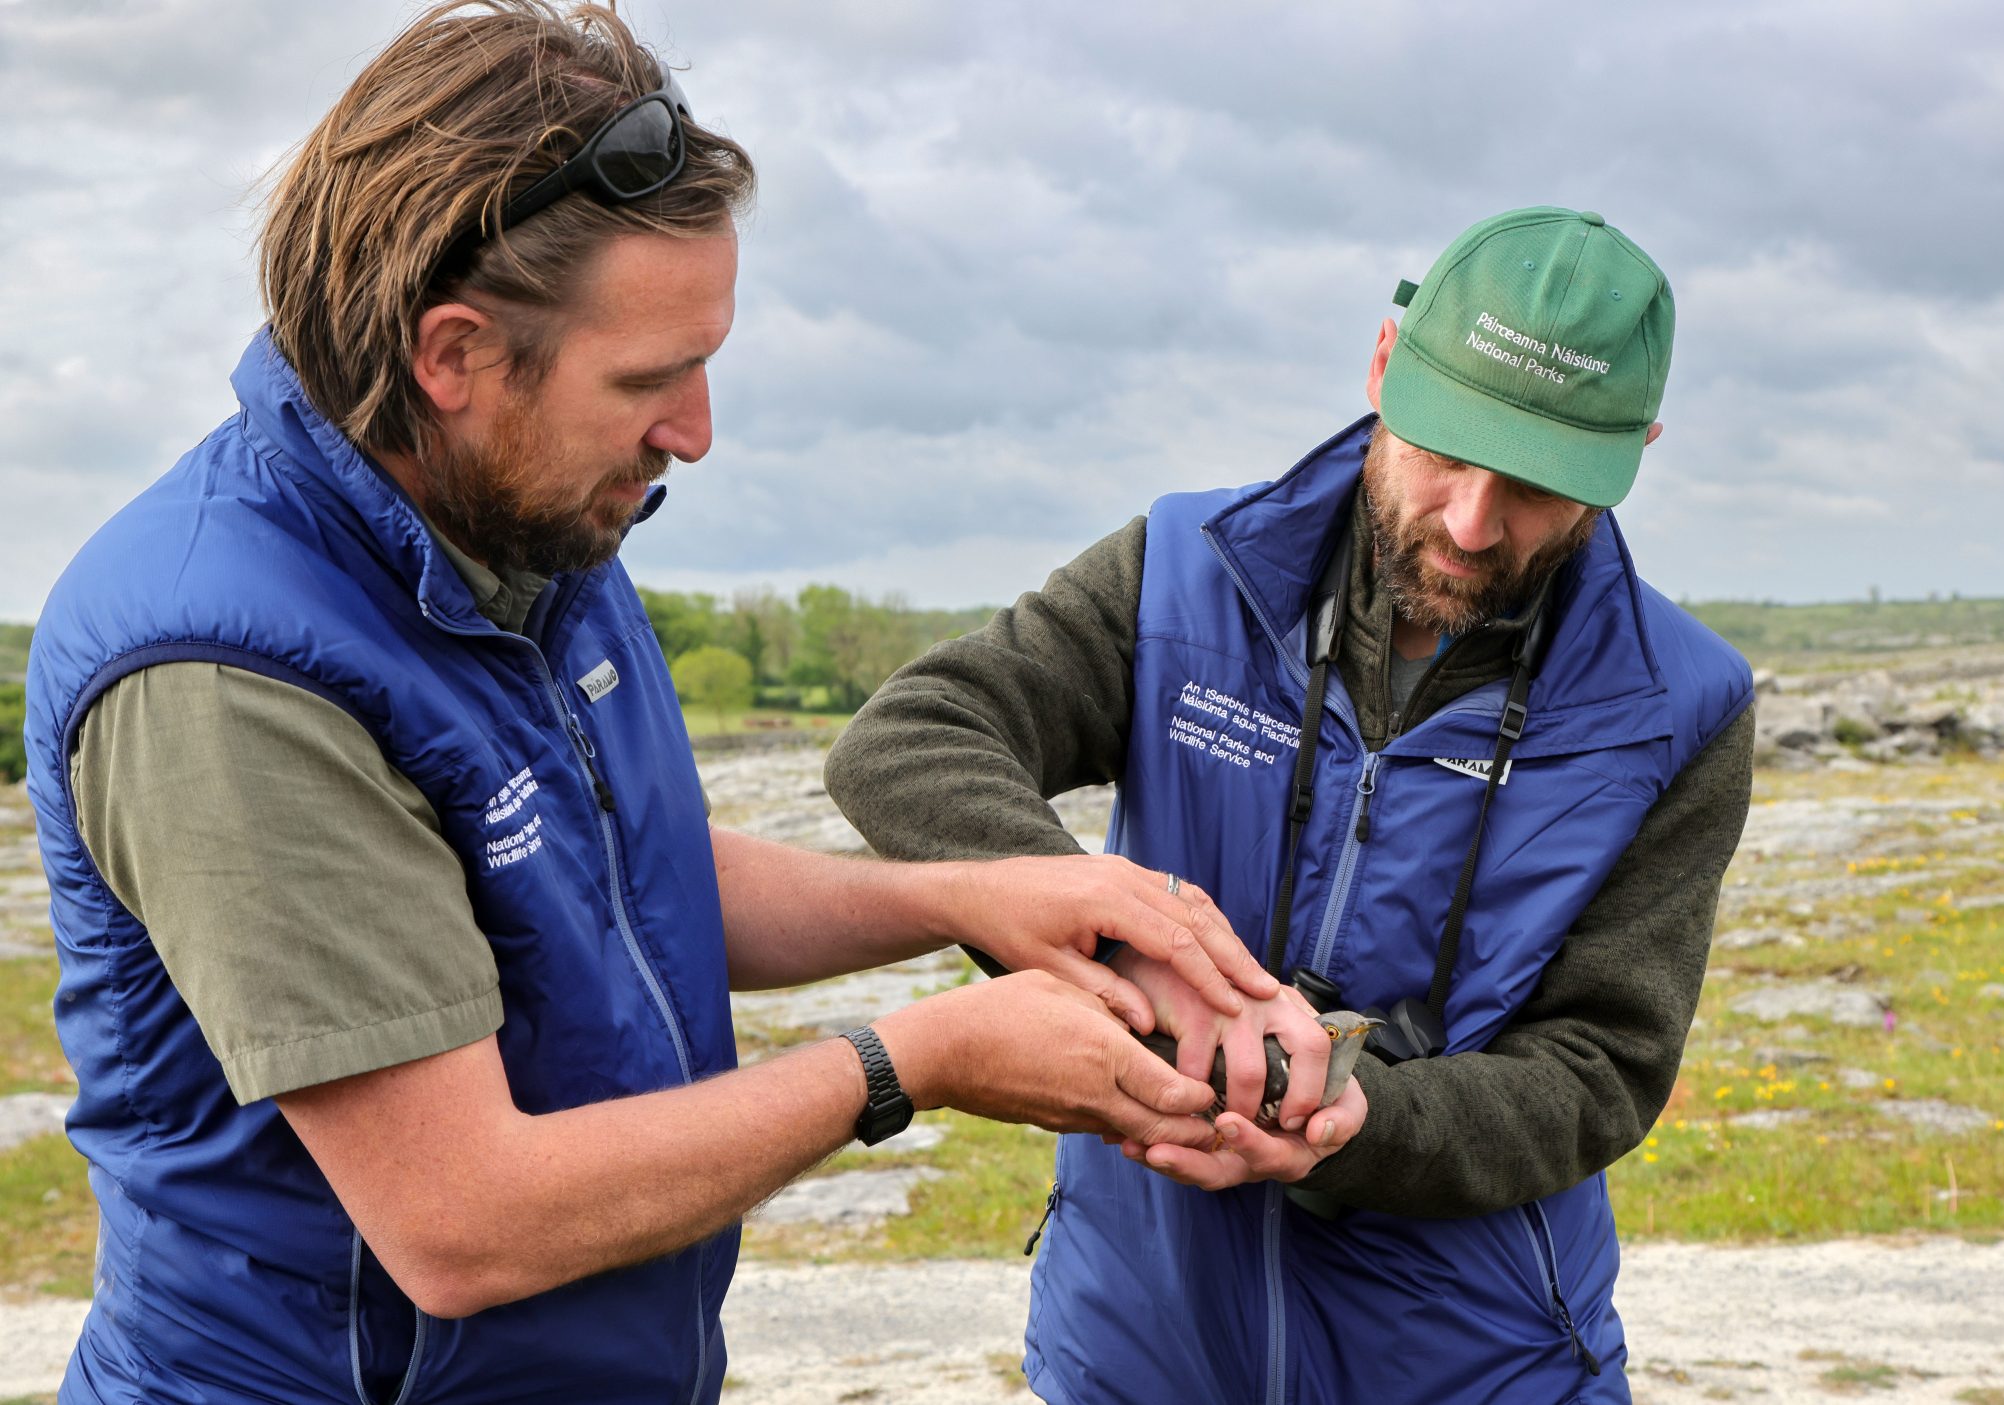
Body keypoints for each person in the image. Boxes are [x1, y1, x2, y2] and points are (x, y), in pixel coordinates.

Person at [19, 5, 1329, 1402]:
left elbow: (621, 880)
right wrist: (914, 1060)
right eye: (648, 379)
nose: (694, 432)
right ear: (450, 356)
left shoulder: (525, 521)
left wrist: (966, 895)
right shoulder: (227, 675)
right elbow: (463, 1220)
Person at [827, 205, 1758, 1404]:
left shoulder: (1676, 705)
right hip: (1140, 1340)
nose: (1472, 522)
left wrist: (1359, 1121)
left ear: (1633, 449)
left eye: (1534, 484)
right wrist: (1128, 950)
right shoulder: (1185, 568)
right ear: (1383, 369)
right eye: (1444, 450)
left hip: (1477, 1363)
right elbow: (908, 737)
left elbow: (1599, 1069)